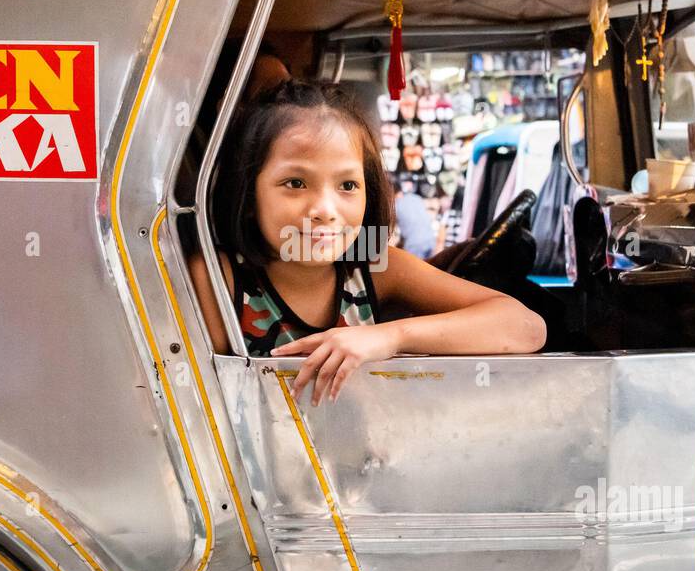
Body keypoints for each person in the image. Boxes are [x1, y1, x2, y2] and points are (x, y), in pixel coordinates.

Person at [188, 79, 546, 406]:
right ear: (248, 196)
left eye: (347, 186)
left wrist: (388, 337)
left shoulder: (373, 263)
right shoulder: (220, 280)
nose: (325, 210)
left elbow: (526, 327)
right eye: (296, 183)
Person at [393, 179, 438, 259]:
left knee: (410, 270)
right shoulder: (416, 197)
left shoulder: (395, 205)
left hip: (414, 245)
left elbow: (392, 233)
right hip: (431, 240)